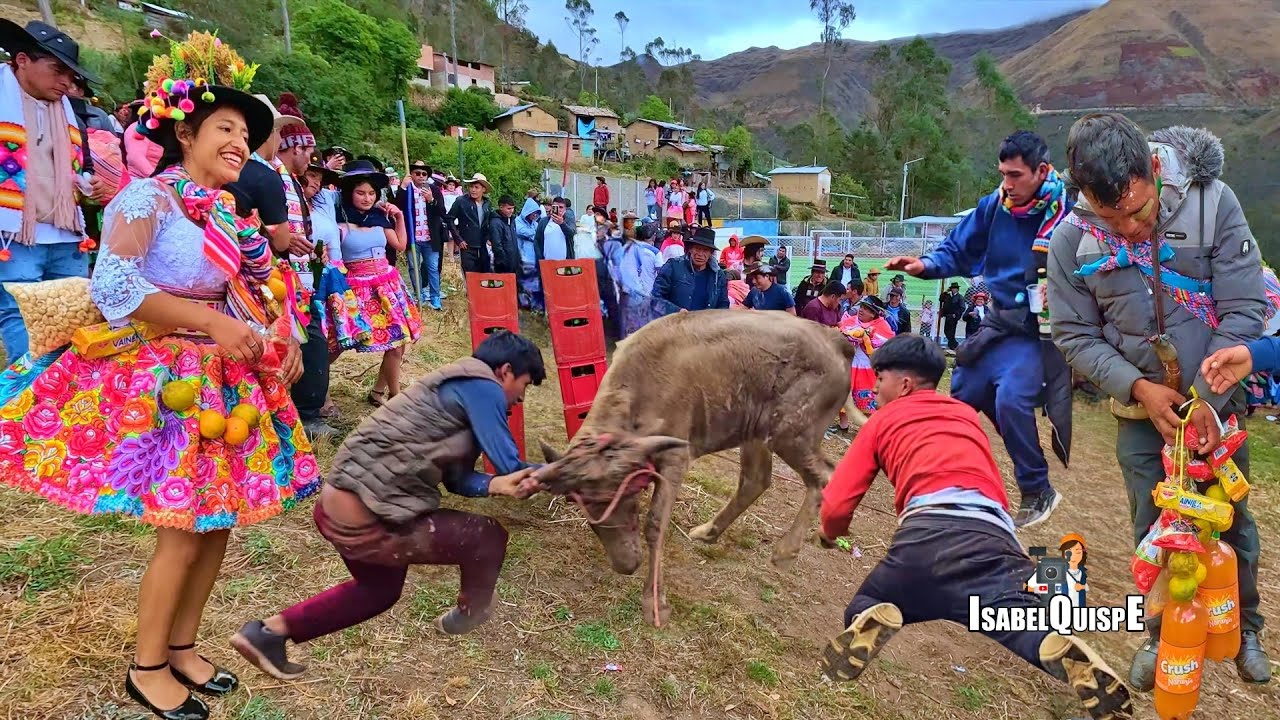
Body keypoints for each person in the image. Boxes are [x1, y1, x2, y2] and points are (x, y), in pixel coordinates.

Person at [0, 44, 322, 719]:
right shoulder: (148, 198)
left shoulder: (230, 214)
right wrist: (211, 322)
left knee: (216, 523)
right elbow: (114, 283)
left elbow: (267, 283)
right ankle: (147, 667)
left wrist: (283, 331)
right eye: (225, 129)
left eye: (245, 133)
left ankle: (182, 646)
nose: (239, 142)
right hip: (169, 378)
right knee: (181, 526)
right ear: (185, 133)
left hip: (226, 380)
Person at [1048, 113, 1271, 687]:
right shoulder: (1072, 238)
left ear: (1154, 169)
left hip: (1217, 408)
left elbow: (1246, 307)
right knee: (1153, 525)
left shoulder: (1211, 203)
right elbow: (1074, 335)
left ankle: (1244, 626)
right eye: (1109, 217)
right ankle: (1161, 636)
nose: (1125, 229)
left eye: (1139, 213)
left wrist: (1204, 397)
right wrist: (1139, 388)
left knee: (1233, 518)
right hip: (1139, 412)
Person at [817, 336, 1133, 720]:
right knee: (1018, 621)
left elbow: (838, 501)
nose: (874, 386)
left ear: (903, 384)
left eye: (879, 378)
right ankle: (1053, 644)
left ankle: (877, 613)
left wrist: (830, 533)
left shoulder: (883, 419)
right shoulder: (965, 415)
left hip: (926, 535)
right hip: (994, 537)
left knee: (865, 605)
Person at [231, 331, 547, 679]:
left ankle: (266, 634)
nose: (520, 399)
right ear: (504, 371)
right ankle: (471, 614)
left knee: (378, 592)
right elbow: (509, 464)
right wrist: (574, 473)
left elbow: (459, 480)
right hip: (370, 518)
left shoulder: (459, 393)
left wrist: (494, 485)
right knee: (486, 536)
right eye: (525, 385)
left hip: (340, 508)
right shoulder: (482, 384)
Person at [884, 130, 1071, 528]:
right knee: (965, 391)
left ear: (1041, 171)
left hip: (1038, 331)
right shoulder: (994, 207)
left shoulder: (1067, 216)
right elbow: (958, 247)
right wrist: (925, 265)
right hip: (998, 322)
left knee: (1011, 400)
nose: (1008, 183)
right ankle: (946, 478)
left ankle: (1037, 488)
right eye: (1003, 173)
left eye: (1016, 175)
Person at [0, 20, 97, 360]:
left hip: (66, 236)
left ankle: (66, 394)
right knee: (20, 319)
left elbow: (81, 168)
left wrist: (89, 184)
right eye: (58, 71)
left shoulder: (70, 116)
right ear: (23, 60)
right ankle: (28, 400)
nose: (67, 84)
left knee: (77, 318)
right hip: (15, 236)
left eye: (72, 77)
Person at [334, 161, 422, 406]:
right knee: (337, 345)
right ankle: (395, 400)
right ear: (350, 193)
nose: (366, 198)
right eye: (360, 192)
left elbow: (401, 245)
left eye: (371, 193)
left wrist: (400, 217)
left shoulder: (380, 218)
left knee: (398, 344)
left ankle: (382, 393)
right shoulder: (339, 222)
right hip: (359, 290)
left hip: (388, 284)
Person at [397, 160, 446, 311]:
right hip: (413, 238)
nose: (421, 176)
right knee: (413, 268)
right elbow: (396, 207)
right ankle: (420, 295)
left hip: (431, 239)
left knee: (432, 268)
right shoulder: (406, 191)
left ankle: (435, 296)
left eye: (424, 174)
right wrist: (402, 188)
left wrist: (431, 200)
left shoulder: (434, 190)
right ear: (411, 175)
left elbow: (442, 212)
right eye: (417, 173)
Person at [838, 296, 895, 415]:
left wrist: (867, 340)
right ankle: (843, 424)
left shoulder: (882, 326)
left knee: (868, 399)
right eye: (862, 307)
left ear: (873, 314)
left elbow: (885, 346)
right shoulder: (850, 321)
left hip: (867, 366)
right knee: (844, 394)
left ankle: (869, 425)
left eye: (866, 309)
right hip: (849, 363)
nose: (861, 310)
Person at [652, 225, 728, 313]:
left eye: (705, 250)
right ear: (690, 249)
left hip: (706, 325)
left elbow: (723, 305)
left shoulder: (718, 276)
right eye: (697, 249)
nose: (700, 254)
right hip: (676, 323)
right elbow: (655, 299)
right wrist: (676, 311)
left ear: (711, 253)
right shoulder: (673, 266)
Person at [446, 173, 494, 275]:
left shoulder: (487, 203)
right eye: (471, 187)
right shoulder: (461, 201)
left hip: (483, 246)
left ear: (483, 189)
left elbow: (488, 222)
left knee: (485, 276)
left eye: (476, 187)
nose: (473, 190)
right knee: (470, 276)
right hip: (467, 246)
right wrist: (458, 239)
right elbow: (449, 219)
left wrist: (490, 237)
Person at [617, 222, 660, 336]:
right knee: (646, 327)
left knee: (629, 325)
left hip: (628, 292)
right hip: (646, 293)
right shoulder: (655, 252)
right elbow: (661, 274)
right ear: (653, 236)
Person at [515, 196, 543, 311]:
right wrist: (533, 234)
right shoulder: (517, 221)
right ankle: (524, 304)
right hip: (522, 257)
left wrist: (533, 234)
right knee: (524, 282)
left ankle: (534, 306)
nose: (535, 216)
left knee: (534, 282)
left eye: (537, 213)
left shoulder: (535, 224)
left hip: (534, 258)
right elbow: (521, 232)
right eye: (533, 213)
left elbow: (539, 234)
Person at [489, 195, 522, 277]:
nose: (511, 211)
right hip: (504, 264)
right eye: (509, 208)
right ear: (501, 207)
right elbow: (497, 244)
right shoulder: (495, 223)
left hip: (514, 261)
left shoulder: (511, 220)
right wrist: (502, 261)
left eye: (512, 208)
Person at [534, 197, 575, 262]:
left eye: (561, 207)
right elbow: (537, 240)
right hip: (546, 262)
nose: (558, 209)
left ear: (565, 209)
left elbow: (571, 234)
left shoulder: (568, 221)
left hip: (565, 263)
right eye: (555, 207)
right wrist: (540, 258)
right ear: (552, 207)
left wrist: (562, 224)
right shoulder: (544, 221)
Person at [940, 282, 966, 349]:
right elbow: (941, 299)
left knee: (951, 331)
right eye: (952, 288)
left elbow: (962, 307)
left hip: (953, 316)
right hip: (947, 315)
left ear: (957, 289)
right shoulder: (948, 296)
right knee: (946, 330)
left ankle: (953, 345)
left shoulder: (960, 297)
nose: (954, 289)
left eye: (955, 288)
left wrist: (956, 314)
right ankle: (953, 344)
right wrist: (946, 291)